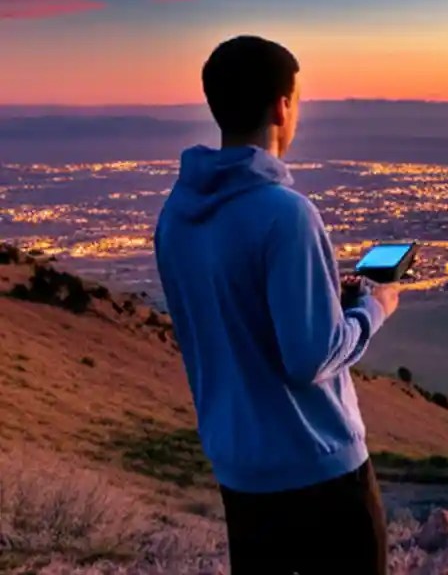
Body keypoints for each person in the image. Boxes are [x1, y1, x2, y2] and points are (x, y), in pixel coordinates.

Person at [155, 35, 400, 574]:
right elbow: (310, 358)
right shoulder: (285, 213)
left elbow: (228, 313)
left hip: (241, 471)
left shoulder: (177, 214)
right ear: (281, 105)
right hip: (318, 469)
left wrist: (317, 293)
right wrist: (374, 308)